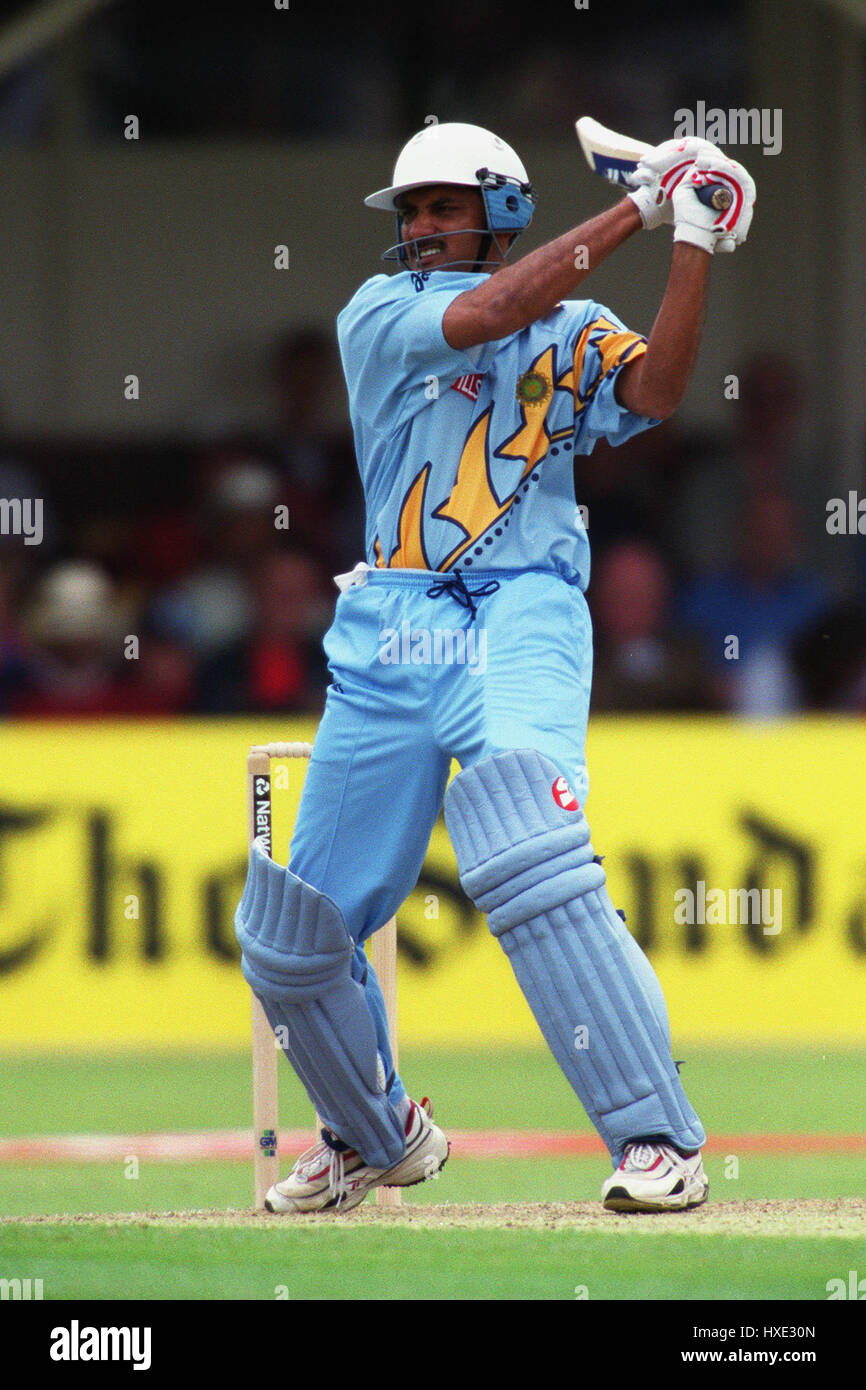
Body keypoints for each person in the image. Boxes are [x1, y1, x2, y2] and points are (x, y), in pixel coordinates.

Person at [235, 121, 755, 1214]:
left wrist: (690, 240)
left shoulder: (570, 332)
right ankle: (374, 1135)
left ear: (502, 211)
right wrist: (638, 203)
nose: (419, 229)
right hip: (394, 618)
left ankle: (656, 1140)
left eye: (441, 208)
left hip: (520, 608)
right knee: (287, 935)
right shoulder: (379, 316)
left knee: (524, 838)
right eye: (410, 212)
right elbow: (492, 311)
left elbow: (655, 394)